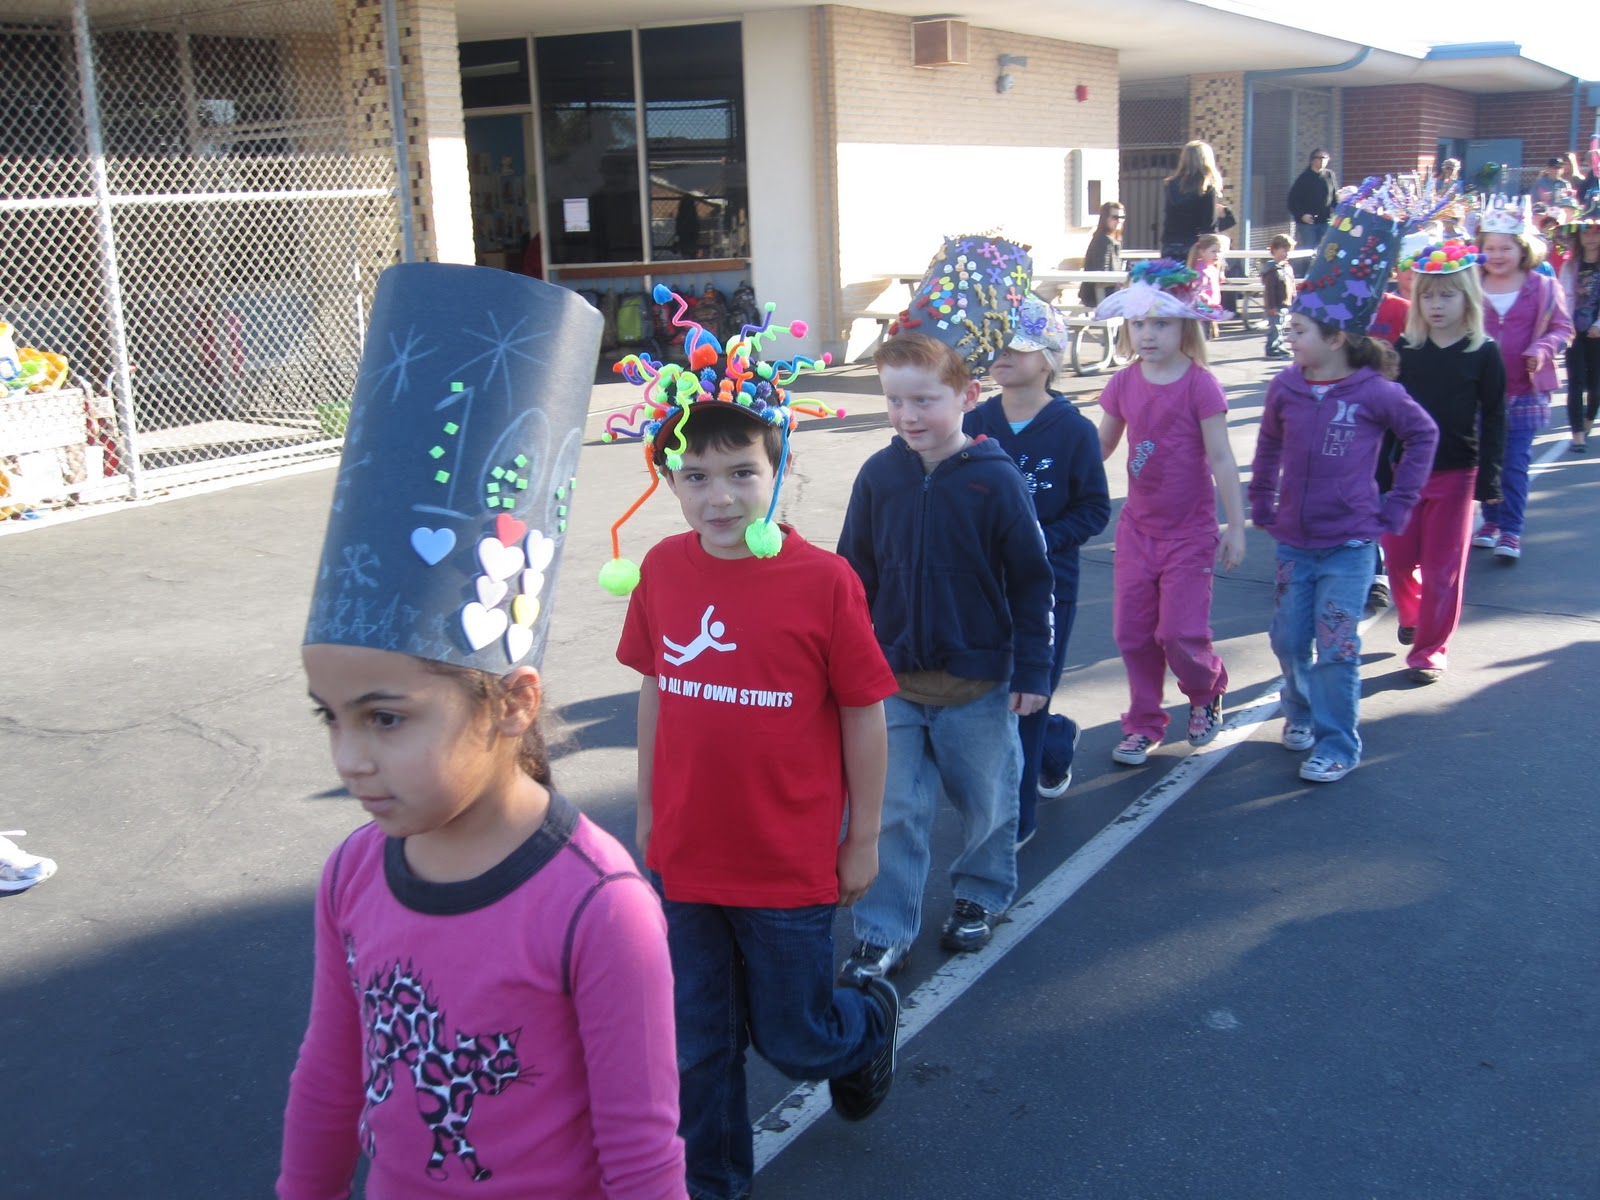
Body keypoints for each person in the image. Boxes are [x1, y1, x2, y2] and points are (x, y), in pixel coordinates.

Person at [279, 264, 687, 1200]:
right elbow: (330, 1078)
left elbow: (642, 1153)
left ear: (513, 702)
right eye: (330, 718)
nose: (350, 761)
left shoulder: (600, 909)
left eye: (385, 718)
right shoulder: (352, 875)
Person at [603, 292, 901, 1200]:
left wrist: (863, 835)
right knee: (697, 1050)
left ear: (777, 467)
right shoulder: (661, 569)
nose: (718, 495)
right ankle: (716, 1185)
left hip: (787, 860)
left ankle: (866, 1022)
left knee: (796, 1040)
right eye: (694, 475)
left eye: (739, 471)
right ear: (668, 478)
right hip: (686, 857)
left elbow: (863, 712)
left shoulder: (822, 582)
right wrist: (649, 813)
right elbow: (658, 690)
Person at [837, 234, 1055, 981]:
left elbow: (1031, 579)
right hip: (893, 680)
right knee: (892, 810)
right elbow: (851, 574)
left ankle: (980, 894)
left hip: (979, 684)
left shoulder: (995, 480)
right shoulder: (879, 476)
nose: (906, 415)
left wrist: (1033, 668)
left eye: (923, 400)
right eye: (894, 400)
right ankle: (883, 925)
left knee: (988, 802)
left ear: (968, 397)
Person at [1250, 186, 1440, 784]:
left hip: (1352, 543)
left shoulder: (1374, 392)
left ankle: (1337, 741)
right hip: (1293, 542)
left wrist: (1398, 501)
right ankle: (1298, 706)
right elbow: (1270, 444)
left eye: (1300, 329)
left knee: (1337, 646)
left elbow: (1423, 435)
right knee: (1287, 639)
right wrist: (1262, 497)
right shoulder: (1287, 385)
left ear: (1336, 338)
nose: (1291, 339)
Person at [964, 296, 1110, 843]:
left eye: (1016, 347)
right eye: (996, 344)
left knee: (1024, 700)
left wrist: (1041, 541)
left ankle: (1016, 818)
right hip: (981, 587)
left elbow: (1095, 508)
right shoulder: (975, 421)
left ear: (1048, 358)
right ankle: (1056, 739)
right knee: (986, 702)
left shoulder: (1073, 430)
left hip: (1048, 591)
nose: (1001, 355)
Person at [1092, 260, 1246, 767]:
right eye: (1139, 323)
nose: (1148, 334)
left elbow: (1222, 458)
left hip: (1189, 533)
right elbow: (1101, 447)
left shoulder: (1201, 385)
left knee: (1179, 633)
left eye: (1161, 322)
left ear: (1185, 325)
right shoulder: (1123, 383)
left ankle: (1206, 688)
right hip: (1138, 531)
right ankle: (1143, 722)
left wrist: (1236, 527)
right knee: (1132, 634)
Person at [1384, 239, 1507, 684]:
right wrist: (1380, 470)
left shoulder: (1483, 352)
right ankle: (1415, 615)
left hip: (1457, 474)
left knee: (1442, 569)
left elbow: (1495, 417)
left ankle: (1430, 648)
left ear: (1467, 297)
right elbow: (1387, 411)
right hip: (1406, 475)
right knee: (1397, 558)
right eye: (1428, 295)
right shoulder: (1408, 347)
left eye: (1447, 294)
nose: (1436, 304)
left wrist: (1490, 479)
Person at [1471, 199, 1574, 559]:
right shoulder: (1470, 283)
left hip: (1523, 392)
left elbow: (1563, 328)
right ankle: (1491, 519)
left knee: (1513, 464)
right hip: (1477, 395)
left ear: (1522, 248)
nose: (1497, 255)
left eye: (1506, 248)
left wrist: (1543, 348)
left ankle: (1511, 529)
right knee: (1484, 462)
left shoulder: (1543, 286)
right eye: (1490, 248)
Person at [1557, 199, 1600, 451]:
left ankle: (1588, 419)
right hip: (1575, 331)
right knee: (1575, 381)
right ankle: (1577, 435)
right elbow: (1563, 296)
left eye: (1596, 233)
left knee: (1595, 385)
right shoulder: (1570, 265)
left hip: (1597, 331)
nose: (1592, 238)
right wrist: (1565, 326)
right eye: (1587, 232)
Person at [1160, 140, 1232, 261]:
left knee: (1173, 279)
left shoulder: (1170, 185)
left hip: (1170, 246)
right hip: (1194, 249)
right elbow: (1209, 227)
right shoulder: (1207, 187)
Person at [1288, 149, 1339, 249]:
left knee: (1328, 250)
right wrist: (1302, 215)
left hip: (1326, 221)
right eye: (1319, 158)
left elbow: (1334, 197)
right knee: (1310, 252)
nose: (1322, 160)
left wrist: (1341, 210)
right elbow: (1292, 201)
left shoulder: (1330, 175)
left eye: (1325, 158)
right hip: (1309, 224)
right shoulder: (1304, 178)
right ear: (1312, 160)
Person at [1079, 201, 1126, 308]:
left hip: (1109, 291)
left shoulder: (1114, 238)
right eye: (1115, 217)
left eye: (1122, 217)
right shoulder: (1102, 240)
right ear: (1105, 218)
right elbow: (1101, 273)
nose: (1119, 221)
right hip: (1097, 294)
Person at [1260, 234, 1295, 358]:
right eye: (1284, 250)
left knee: (1281, 327)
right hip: (1275, 304)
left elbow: (1292, 284)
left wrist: (1294, 299)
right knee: (1275, 328)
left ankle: (1279, 346)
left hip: (1285, 302)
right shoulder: (1272, 270)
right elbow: (1269, 290)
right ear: (1274, 249)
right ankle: (1272, 349)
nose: (1287, 254)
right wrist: (1271, 306)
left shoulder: (1287, 267)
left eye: (1289, 251)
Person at [1187, 234, 1227, 338]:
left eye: (1219, 251)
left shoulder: (1211, 268)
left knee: (1207, 338)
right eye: (1213, 251)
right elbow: (1198, 292)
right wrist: (1210, 303)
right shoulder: (1201, 270)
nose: (1217, 255)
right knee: (1201, 339)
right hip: (1202, 311)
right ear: (1202, 252)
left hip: (1208, 311)